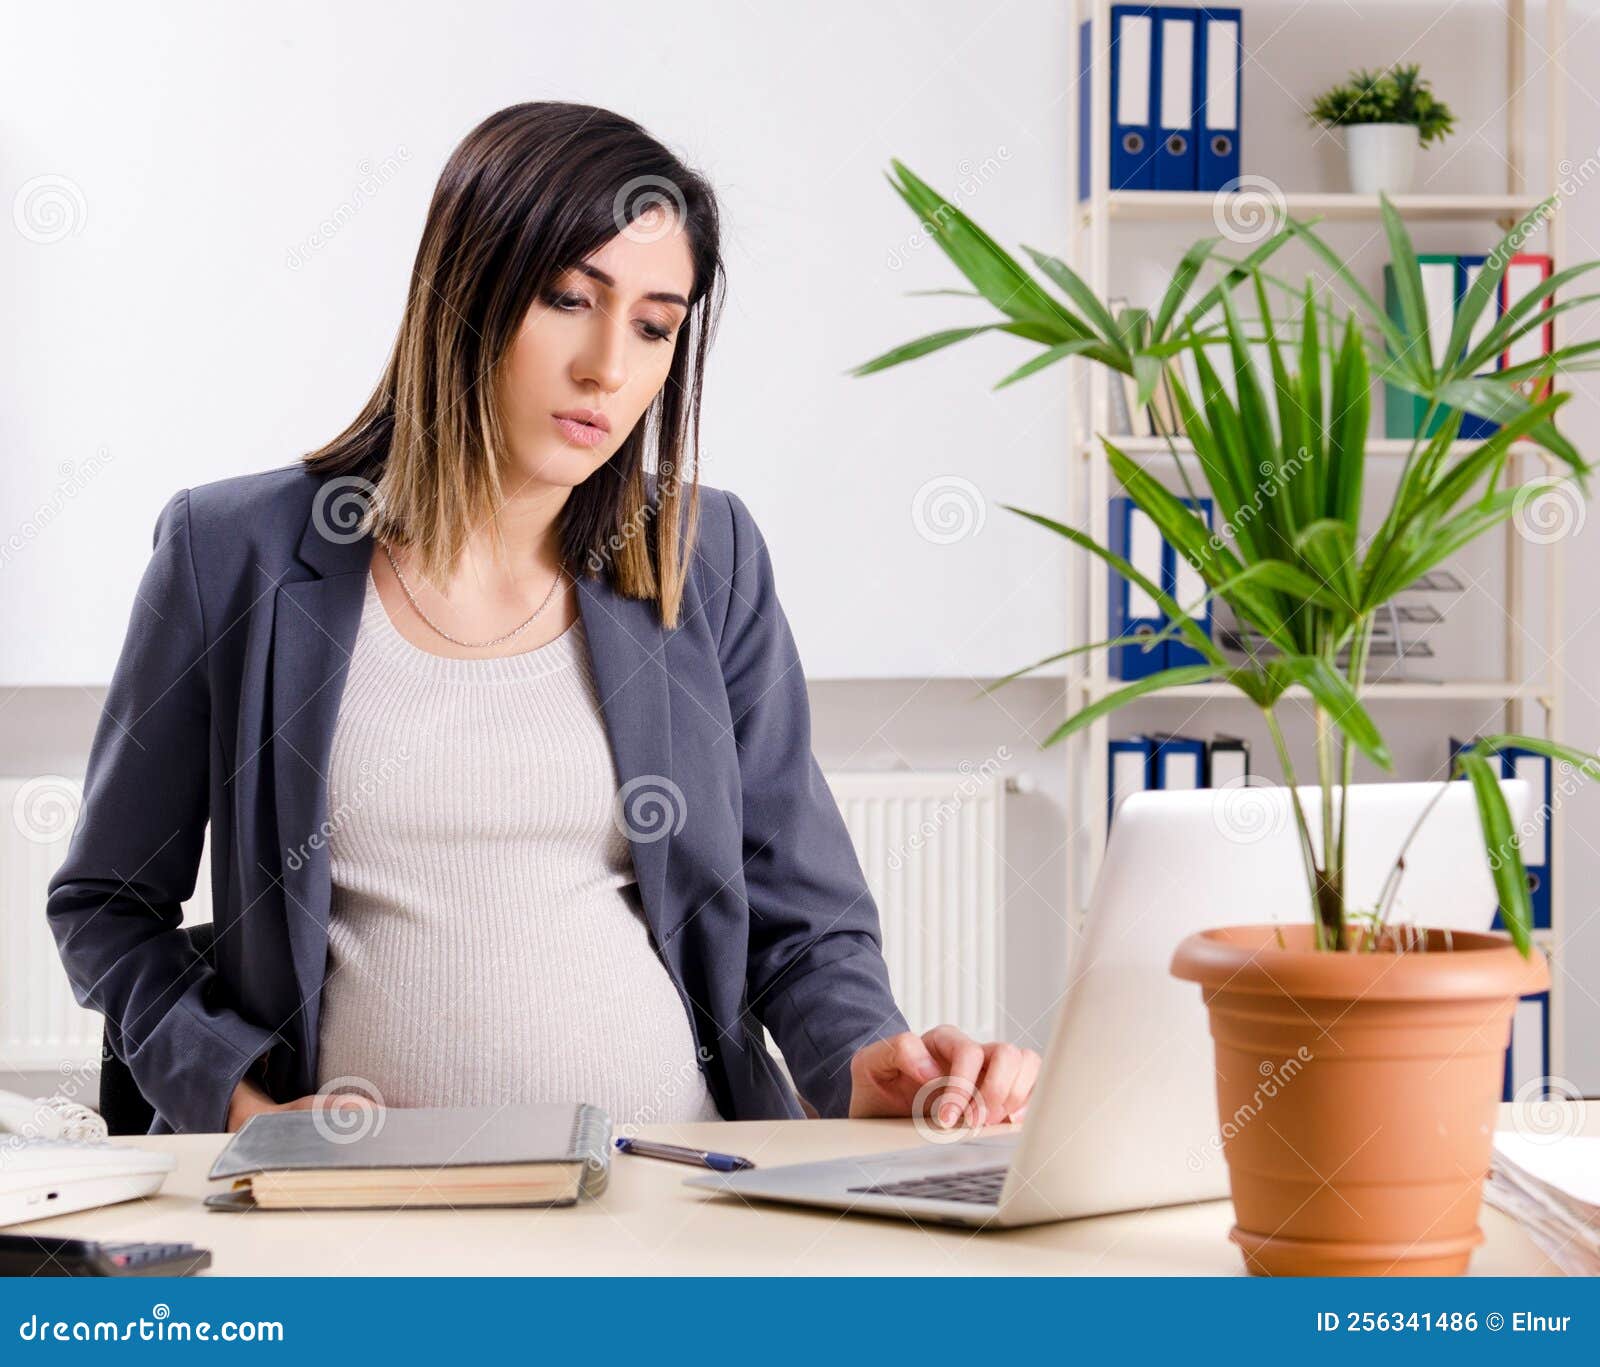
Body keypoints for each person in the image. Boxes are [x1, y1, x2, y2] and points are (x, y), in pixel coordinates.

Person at [47, 102, 1040, 1136]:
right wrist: (243, 1102)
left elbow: (799, 909)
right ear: (464, 290)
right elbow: (107, 905)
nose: (609, 366)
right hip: (344, 1204)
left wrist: (866, 1056)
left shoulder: (702, 554)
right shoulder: (232, 552)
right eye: (571, 298)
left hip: (674, 1187)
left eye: (655, 324)